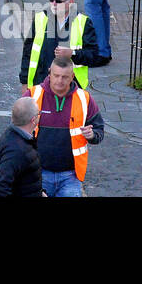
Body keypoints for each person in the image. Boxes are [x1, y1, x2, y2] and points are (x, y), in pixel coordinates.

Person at [26, 56, 105, 197]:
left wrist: (92, 135)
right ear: (49, 72)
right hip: (37, 174)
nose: (59, 81)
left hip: (71, 176)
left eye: (64, 77)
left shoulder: (84, 98)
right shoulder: (33, 95)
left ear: (72, 77)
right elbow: (16, 130)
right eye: (56, 75)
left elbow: (99, 131)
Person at [21, 0, 99, 90]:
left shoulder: (84, 23)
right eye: (51, 0)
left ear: (71, 2)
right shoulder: (40, 18)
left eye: (58, 1)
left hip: (71, 88)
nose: (53, 4)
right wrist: (24, 81)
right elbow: (27, 52)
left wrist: (73, 54)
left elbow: (93, 56)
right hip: (40, 85)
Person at [0, 96, 43, 198]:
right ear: (33, 120)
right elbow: (1, 188)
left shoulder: (14, 136)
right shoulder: (17, 150)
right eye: (39, 113)